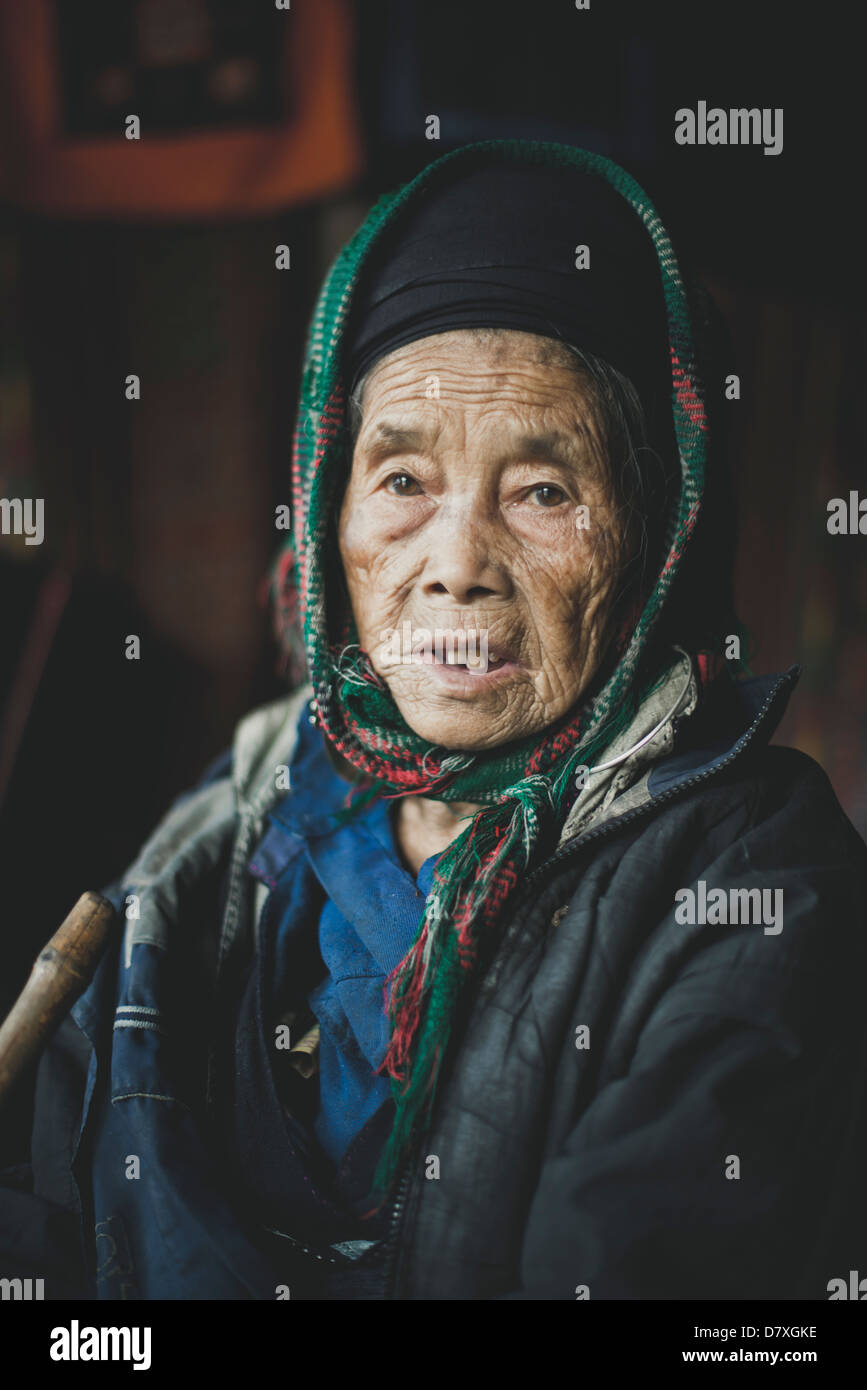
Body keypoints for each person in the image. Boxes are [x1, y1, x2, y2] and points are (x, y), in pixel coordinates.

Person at [2, 140, 866, 1301]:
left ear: (659, 539)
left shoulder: (758, 878)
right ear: (325, 510)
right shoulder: (254, 799)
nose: (456, 564)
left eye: (543, 491)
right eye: (403, 479)